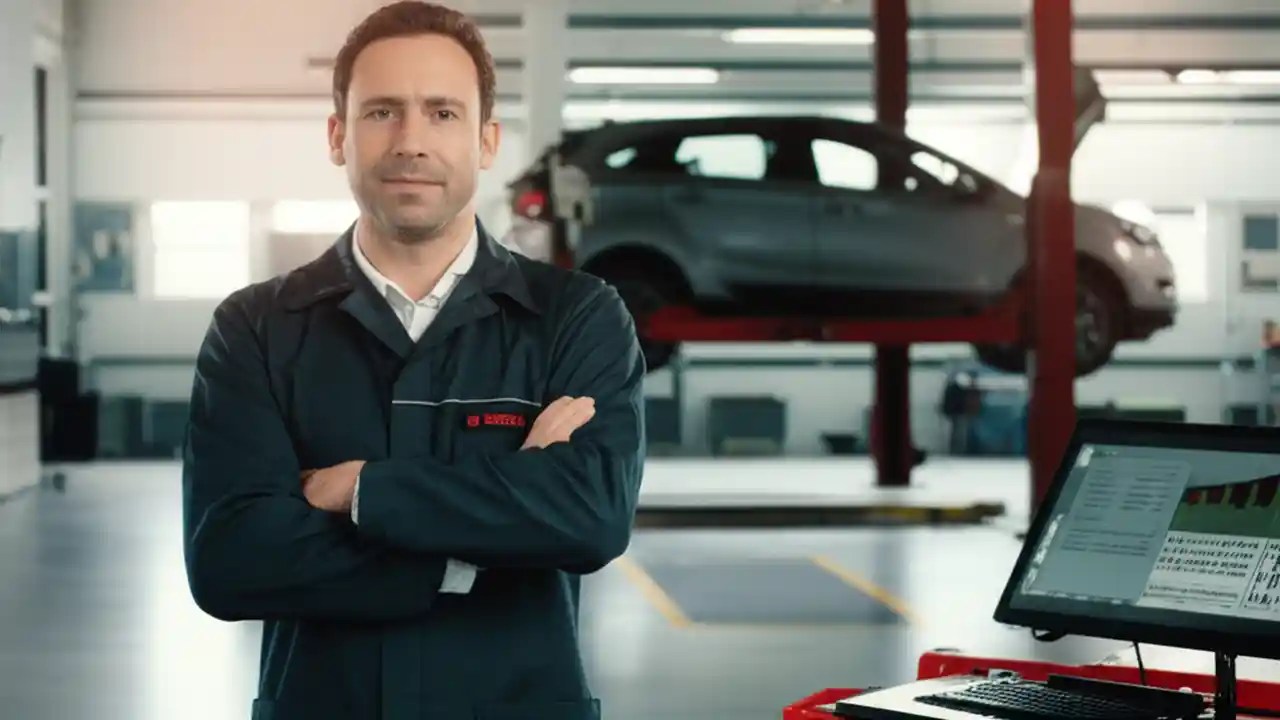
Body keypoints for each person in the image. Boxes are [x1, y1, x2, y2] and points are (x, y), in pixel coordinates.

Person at [180, 3, 646, 719]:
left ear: (487, 140)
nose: (411, 141)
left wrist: (358, 491)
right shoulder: (256, 327)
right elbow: (231, 561)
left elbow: (590, 516)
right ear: (339, 136)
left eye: (442, 114)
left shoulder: (574, 317)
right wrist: (494, 523)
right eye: (382, 113)